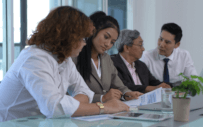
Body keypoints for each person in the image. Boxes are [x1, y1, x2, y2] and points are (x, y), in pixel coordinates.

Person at [0, 6, 129, 122]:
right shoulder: (34, 59)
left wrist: (65, 105)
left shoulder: (64, 59)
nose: (85, 43)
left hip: (42, 121)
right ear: (67, 36)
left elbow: (85, 93)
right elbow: (54, 108)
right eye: (82, 38)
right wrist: (104, 107)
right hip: (12, 123)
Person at [74, 11, 143, 103]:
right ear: (94, 31)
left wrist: (127, 94)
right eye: (106, 37)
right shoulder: (75, 57)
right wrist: (102, 98)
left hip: (105, 112)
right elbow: (70, 95)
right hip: (83, 113)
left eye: (112, 42)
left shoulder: (106, 58)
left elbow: (119, 86)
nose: (107, 44)